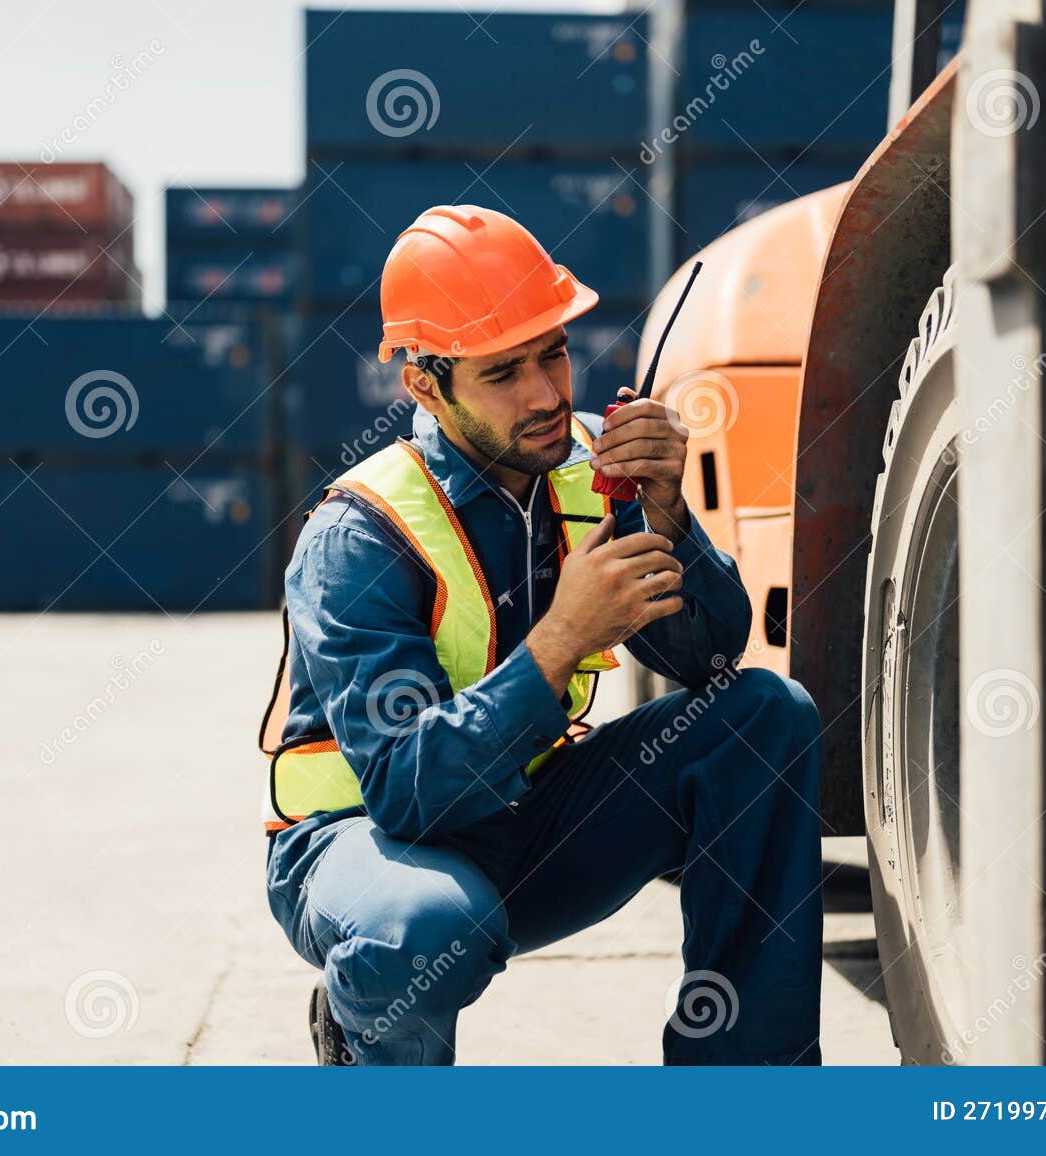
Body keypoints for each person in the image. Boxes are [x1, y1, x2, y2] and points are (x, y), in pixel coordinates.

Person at [260, 205, 823, 1065]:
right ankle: (365, 1044)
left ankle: (749, 1095)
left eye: (552, 353)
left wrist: (667, 517)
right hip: (363, 843)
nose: (548, 394)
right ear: (425, 386)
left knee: (765, 716)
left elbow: (710, 659)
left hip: (522, 816)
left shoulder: (592, 465)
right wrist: (560, 639)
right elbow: (411, 798)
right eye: (503, 372)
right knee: (424, 928)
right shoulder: (359, 537)